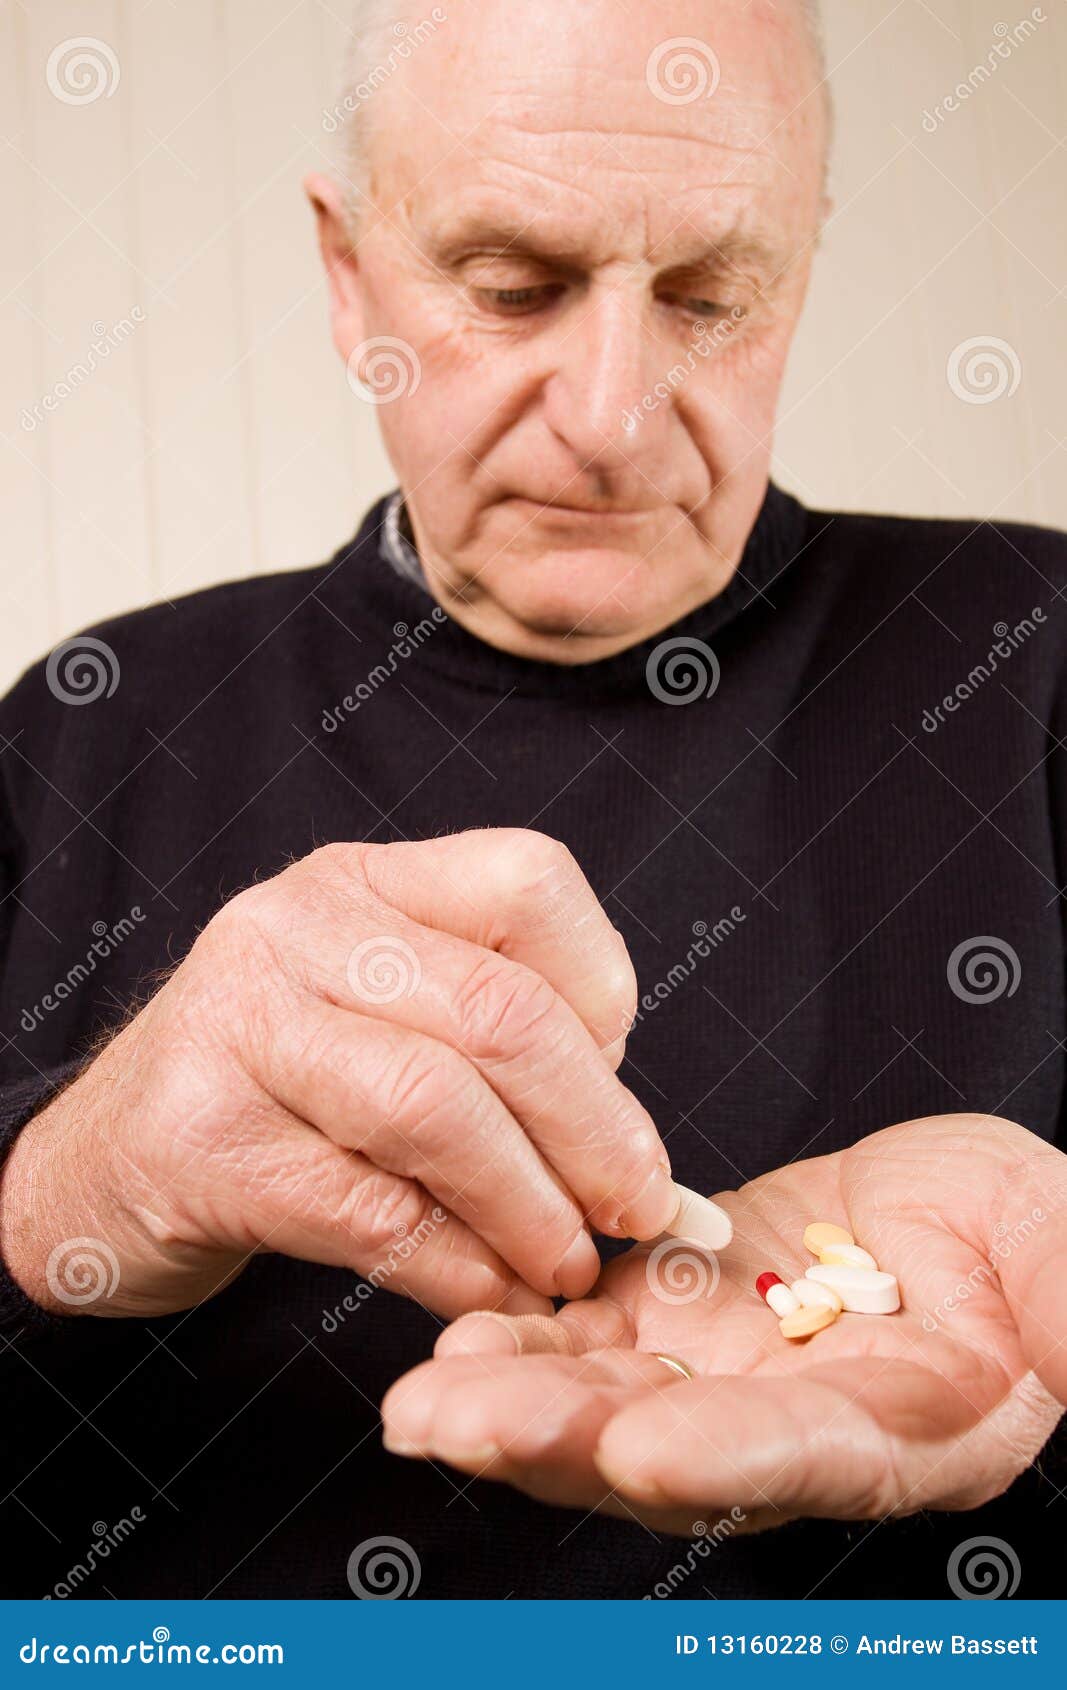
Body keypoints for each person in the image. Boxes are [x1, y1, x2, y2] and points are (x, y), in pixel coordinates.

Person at [1, 0, 1064, 1601]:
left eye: (713, 294)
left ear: (808, 259)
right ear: (348, 269)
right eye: (513, 288)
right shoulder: (88, 723)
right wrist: (70, 1193)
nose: (613, 417)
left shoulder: (1032, 654)